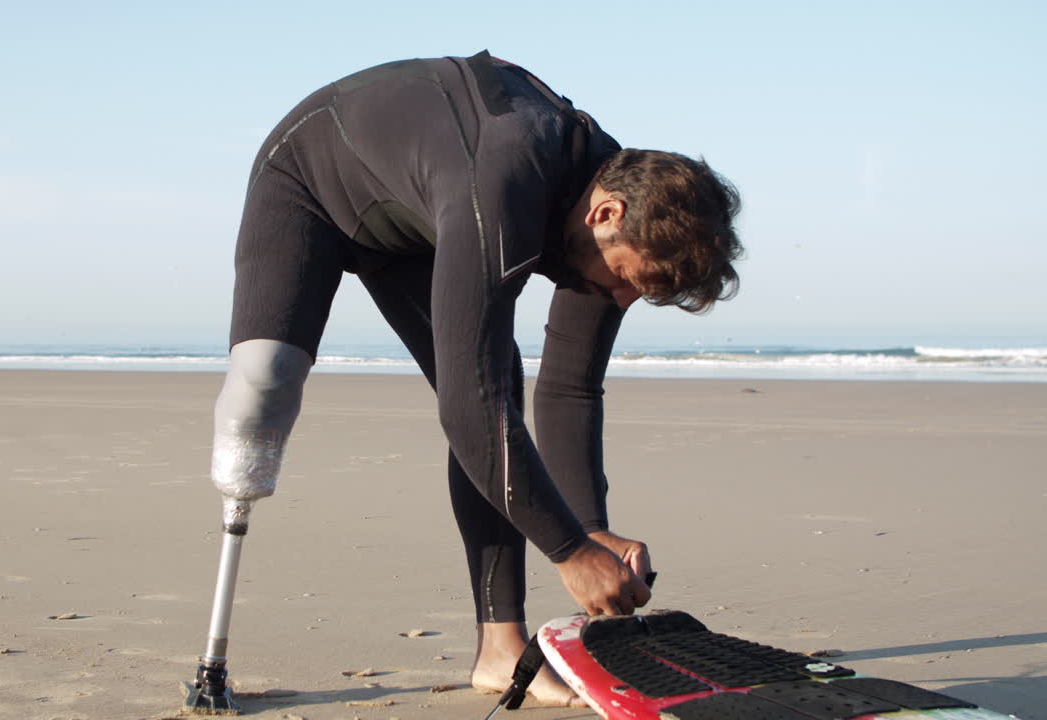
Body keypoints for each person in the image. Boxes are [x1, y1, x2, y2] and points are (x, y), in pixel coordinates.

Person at [210, 51, 742, 706]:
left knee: (498, 393)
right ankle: (217, 623)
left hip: (417, 218)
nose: (621, 298)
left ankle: (500, 647)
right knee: (268, 380)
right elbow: (467, 406)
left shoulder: (611, 205)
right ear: (606, 213)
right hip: (310, 177)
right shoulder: (506, 180)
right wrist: (571, 551)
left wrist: (592, 527)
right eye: (628, 279)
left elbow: (572, 388)